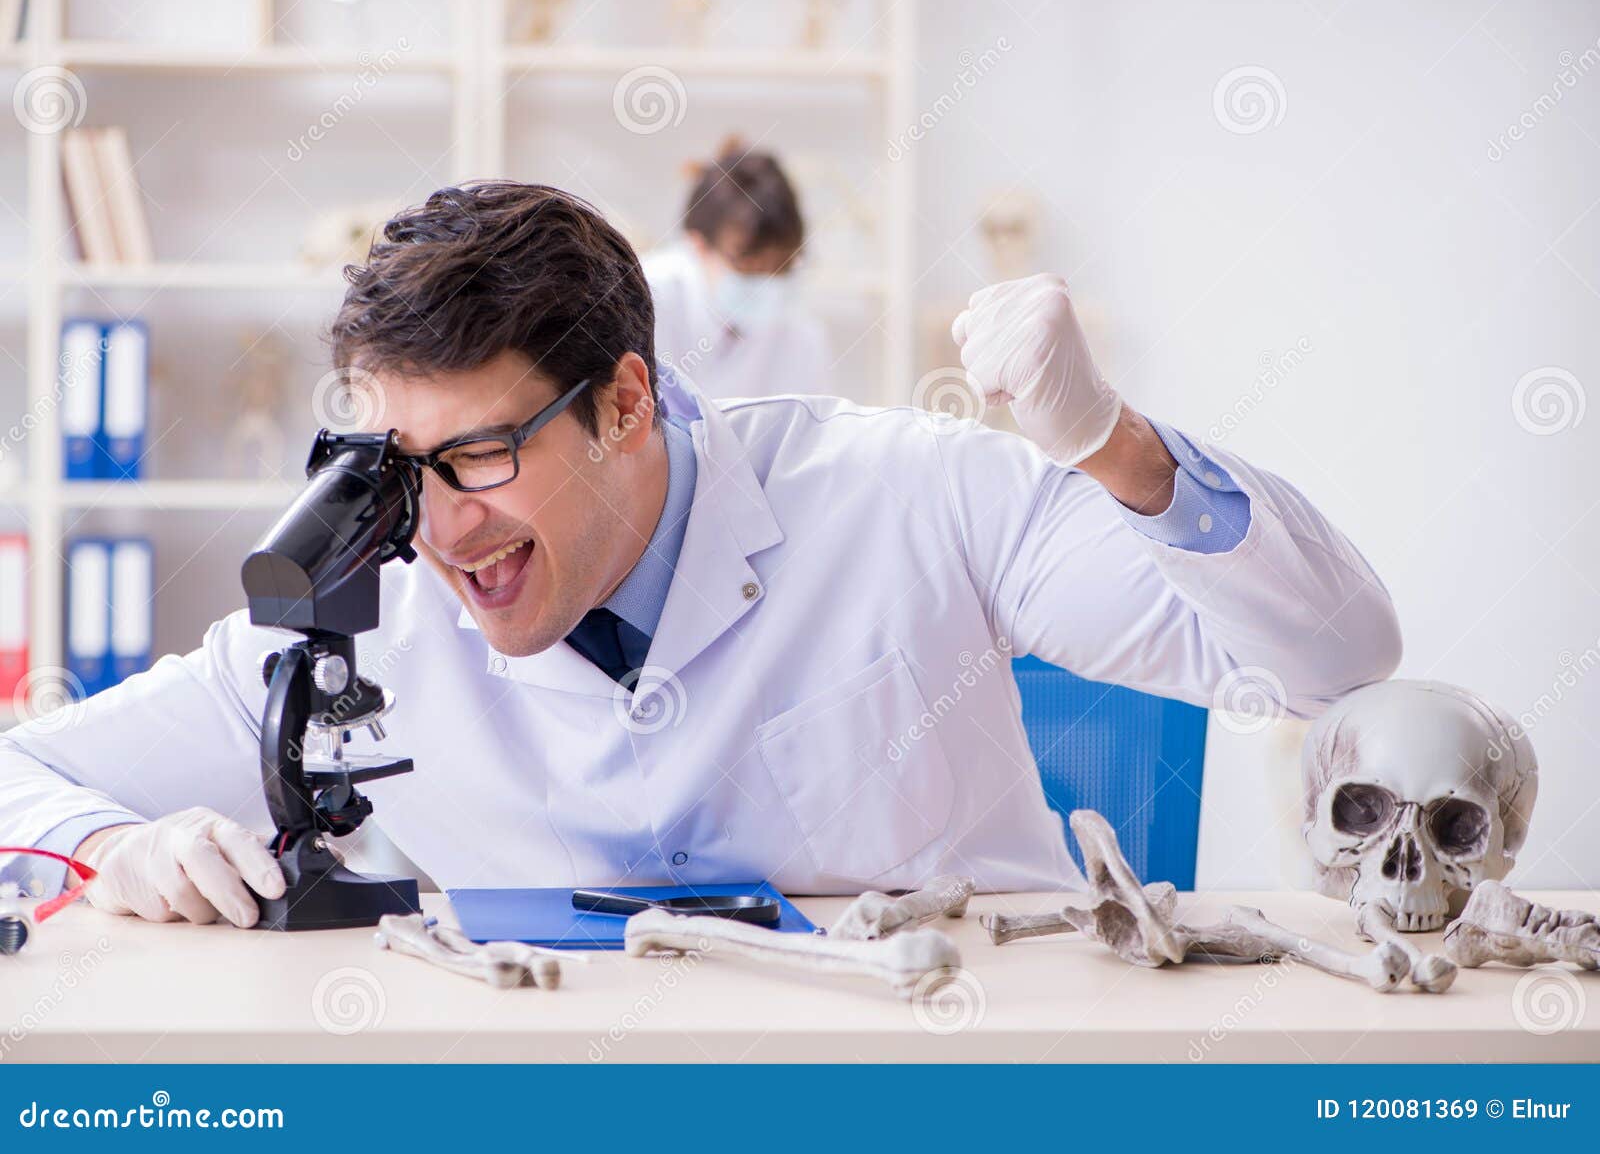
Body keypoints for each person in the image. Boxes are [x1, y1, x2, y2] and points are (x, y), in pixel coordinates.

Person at [0, 182, 1401, 928]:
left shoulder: (912, 491)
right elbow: (23, 774)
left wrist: (1118, 449)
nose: (441, 528)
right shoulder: (373, 599)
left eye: (481, 456)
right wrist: (116, 844)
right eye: (401, 465)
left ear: (623, 402)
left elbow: (1332, 662)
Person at [643, 140, 829, 400]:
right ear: (698, 245)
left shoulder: (800, 334)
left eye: (781, 266)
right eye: (749, 265)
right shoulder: (649, 298)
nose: (766, 281)